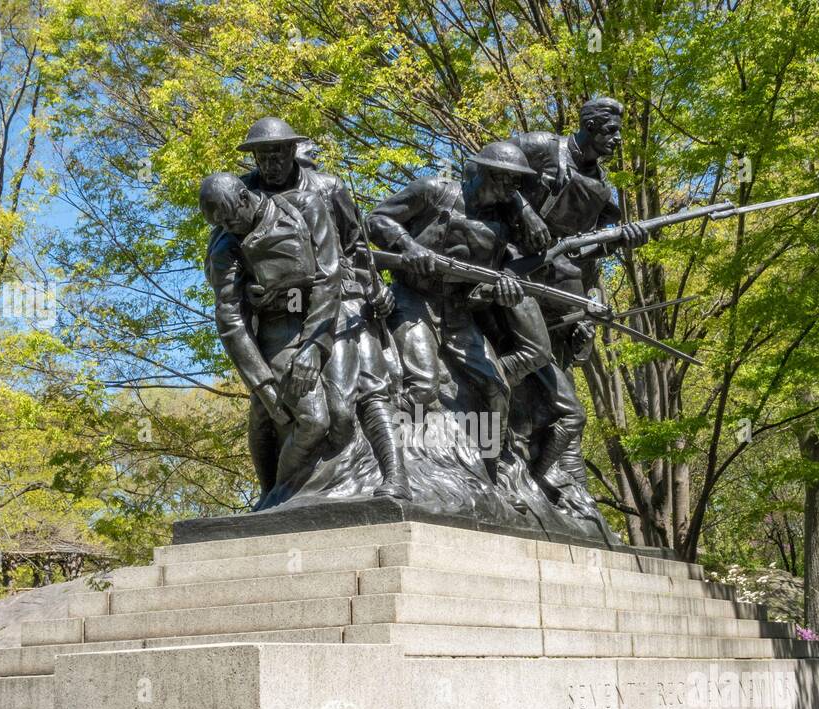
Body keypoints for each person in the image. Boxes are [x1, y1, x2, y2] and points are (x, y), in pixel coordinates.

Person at [237, 118, 409, 498]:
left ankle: (396, 477)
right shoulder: (243, 194)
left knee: (368, 389)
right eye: (263, 156)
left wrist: (374, 288)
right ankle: (272, 496)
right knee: (268, 403)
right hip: (280, 310)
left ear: (292, 150)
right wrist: (250, 292)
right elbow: (226, 253)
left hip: (342, 298)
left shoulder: (328, 187)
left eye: (278, 153)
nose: (272, 163)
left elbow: (356, 247)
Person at [366, 141, 554, 478]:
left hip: (458, 312)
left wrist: (506, 289)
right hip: (413, 301)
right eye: (507, 181)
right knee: (423, 386)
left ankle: (489, 473)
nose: (513, 191)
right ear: (486, 173)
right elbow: (376, 219)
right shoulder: (433, 191)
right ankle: (393, 463)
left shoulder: (504, 224)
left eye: (516, 184)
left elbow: (503, 274)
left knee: (497, 389)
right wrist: (407, 246)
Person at [507, 97, 647, 489]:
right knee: (525, 365)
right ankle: (512, 457)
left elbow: (588, 249)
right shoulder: (540, 146)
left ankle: (555, 474)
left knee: (558, 376)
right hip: (512, 267)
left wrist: (618, 241)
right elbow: (487, 166)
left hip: (559, 284)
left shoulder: (601, 188)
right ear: (589, 124)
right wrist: (525, 211)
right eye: (611, 130)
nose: (617, 139)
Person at [200, 171, 339, 499]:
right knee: (308, 419)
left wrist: (313, 347)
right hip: (278, 329)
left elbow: (327, 277)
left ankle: (287, 493)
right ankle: (278, 494)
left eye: (232, 220)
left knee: (345, 410)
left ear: (245, 198)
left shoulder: (304, 207)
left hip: (328, 318)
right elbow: (230, 319)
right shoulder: (226, 245)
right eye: (221, 224)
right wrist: (263, 386)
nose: (230, 229)